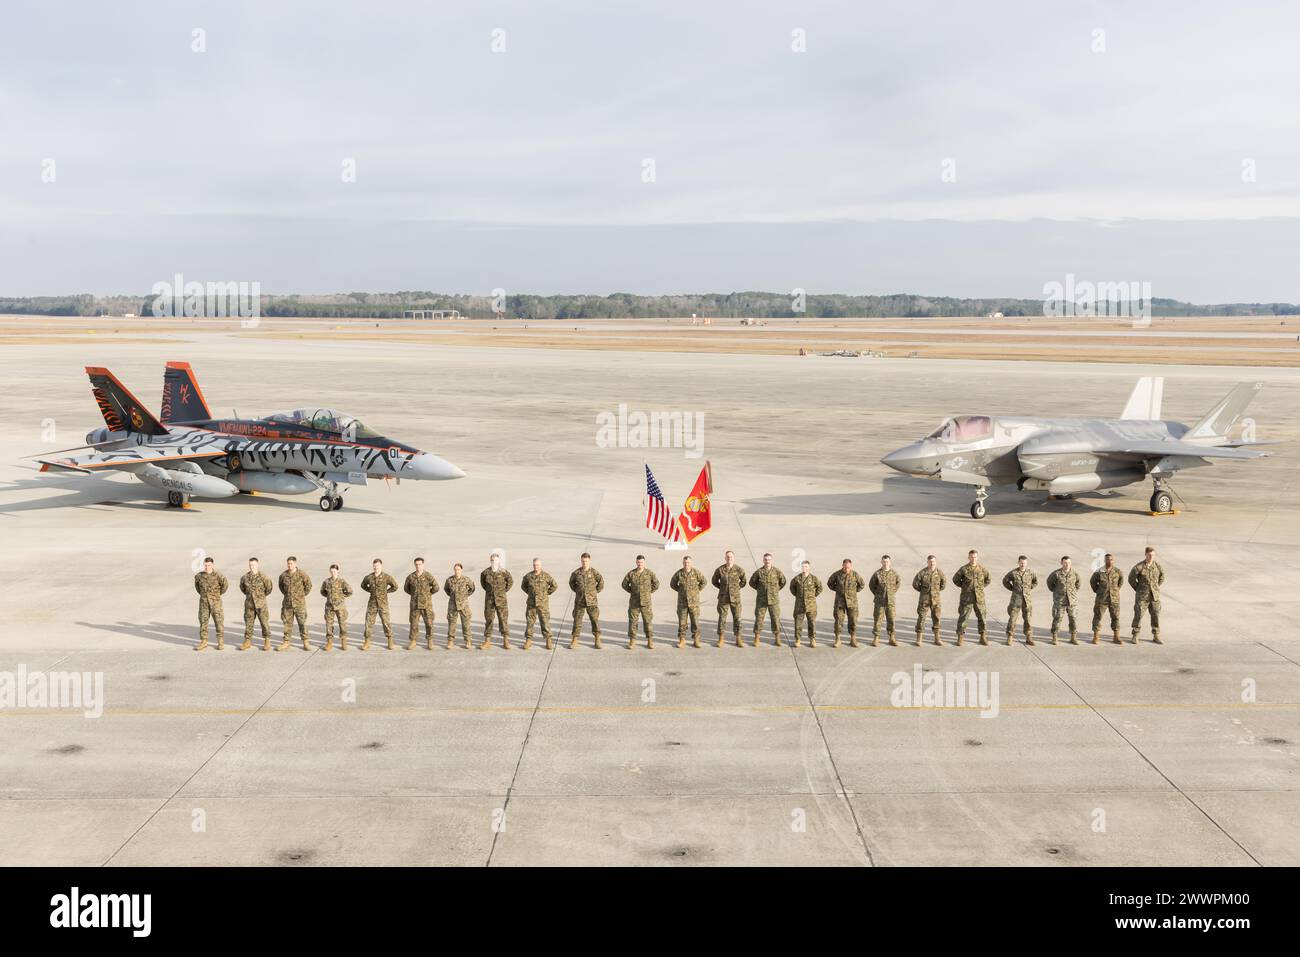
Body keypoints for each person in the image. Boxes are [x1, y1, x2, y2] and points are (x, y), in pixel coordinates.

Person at [952, 549, 992, 646]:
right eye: (971, 557)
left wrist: (980, 588)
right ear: (968, 557)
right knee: (963, 617)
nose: (973, 559)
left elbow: (988, 579)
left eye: (975, 557)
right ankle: (960, 637)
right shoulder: (963, 569)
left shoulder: (982, 569)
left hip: (979, 598)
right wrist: (964, 587)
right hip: (967, 597)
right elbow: (955, 579)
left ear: (977, 558)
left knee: (982, 617)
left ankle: (982, 637)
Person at [621, 555, 660, 649]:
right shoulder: (631, 573)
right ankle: (632, 641)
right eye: (638, 562)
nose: (640, 564)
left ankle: (650, 640)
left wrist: (648, 592)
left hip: (646, 603)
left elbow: (656, 584)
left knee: (648, 621)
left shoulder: (649, 573)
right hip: (634, 603)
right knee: (633, 622)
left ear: (644, 562)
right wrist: (632, 592)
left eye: (641, 562)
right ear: (636, 562)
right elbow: (624, 584)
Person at [1129, 546, 1165, 644]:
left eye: (1153, 555)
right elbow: (1131, 579)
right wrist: (1138, 589)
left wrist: (1155, 587)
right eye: (1149, 555)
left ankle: (1156, 635)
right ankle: (1135, 635)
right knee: (1138, 615)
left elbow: (1162, 576)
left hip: (1154, 597)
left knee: (1155, 615)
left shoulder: (1157, 566)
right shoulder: (1139, 567)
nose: (1151, 557)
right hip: (1142, 597)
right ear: (1145, 555)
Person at [670, 555, 708, 648]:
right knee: (682, 622)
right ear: (683, 563)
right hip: (682, 603)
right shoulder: (679, 573)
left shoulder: (696, 572)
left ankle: (696, 640)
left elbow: (704, 581)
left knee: (695, 622)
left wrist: (696, 591)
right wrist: (680, 591)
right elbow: (673, 584)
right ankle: (682, 640)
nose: (686, 564)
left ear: (691, 563)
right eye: (685, 562)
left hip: (694, 603)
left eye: (688, 562)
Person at [749, 553, 787, 646]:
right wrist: (760, 590)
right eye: (766, 559)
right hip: (761, 600)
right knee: (759, 618)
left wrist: (775, 590)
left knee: (775, 619)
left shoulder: (777, 572)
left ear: (771, 560)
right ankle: (757, 638)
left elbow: (783, 582)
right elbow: (751, 582)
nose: (767, 561)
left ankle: (777, 638)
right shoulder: (759, 572)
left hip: (773, 600)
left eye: (769, 559)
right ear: (763, 561)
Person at [826, 558, 866, 648]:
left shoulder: (855, 574)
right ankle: (838, 639)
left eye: (848, 567)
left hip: (852, 602)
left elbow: (862, 584)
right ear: (842, 566)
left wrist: (854, 592)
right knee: (838, 620)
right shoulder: (837, 574)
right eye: (845, 567)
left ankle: (853, 639)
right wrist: (838, 590)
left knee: (853, 620)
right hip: (840, 602)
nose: (846, 569)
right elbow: (830, 584)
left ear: (851, 566)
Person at [360, 559, 398, 650]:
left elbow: (395, 586)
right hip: (372, 604)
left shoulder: (386, 577)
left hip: (383, 604)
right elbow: (363, 585)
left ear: (381, 566)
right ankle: (367, 641)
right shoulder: (369, 577)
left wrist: (386, 592)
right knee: (368, 622)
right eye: (374, 566)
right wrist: (370, 591)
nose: (376, 568)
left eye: (377, 566)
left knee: (386, 622)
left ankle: (390, 640)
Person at [711, 551, 747, 647]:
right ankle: (721, 639)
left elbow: (744, 581)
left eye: (731, 557)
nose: (729, 558)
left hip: (735, 598)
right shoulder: (720, 569)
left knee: (737, 618)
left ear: (733, 558)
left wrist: (736, 588)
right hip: (723, 598)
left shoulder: (739, 569)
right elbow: (714, 581)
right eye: (727, 557)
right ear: (725, 558)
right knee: (722, 618)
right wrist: (722, 588)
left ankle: (738, 639)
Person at [520, 558, 557, 650]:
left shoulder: (546, 576)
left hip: (542, 603)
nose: (536, 567)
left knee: (545, 621)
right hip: (531, 603)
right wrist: (530, 593)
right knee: (530, 622)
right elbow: (523, 586)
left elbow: (554, 585)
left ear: (541, 565)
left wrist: (546, 594)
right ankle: (528, 640)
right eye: (534, 565)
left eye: (537, 565)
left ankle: (548, 640)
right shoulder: (528, 576)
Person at [569, 552, 605, 649]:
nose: (585, 563)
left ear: (589, 561)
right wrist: (578, 591)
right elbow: (571, 584)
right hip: (580, 601)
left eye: (586, 561)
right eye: (583, 561)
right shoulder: (576, 573)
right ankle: (575, 639)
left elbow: (601, 583)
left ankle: (597, 639)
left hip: (591, 601)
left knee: (594, 619)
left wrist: (594, 592)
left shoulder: (594, 572)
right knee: (577, 620)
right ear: (581, 561)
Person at [277, 556, 313, 651]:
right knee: (287, 624)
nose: (289, 565)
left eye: (291, 563)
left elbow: (308, 586)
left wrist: (301, 596)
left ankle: (305, 642)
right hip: (287, 604)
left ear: (295, 564)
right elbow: (281, 587)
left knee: (302, 623)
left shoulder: (302, 574)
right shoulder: (283, 575)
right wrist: (288, 595)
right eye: (288, 563)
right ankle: (286, 642)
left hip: (299, 604)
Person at [238, 557, 274, 651]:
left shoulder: (263, 577)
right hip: (249, 604)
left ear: (257, 565)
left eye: (253, 565)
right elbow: (243, 588)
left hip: (261, 604)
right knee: (248, 623)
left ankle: (267, 640)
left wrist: (260, 597)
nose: (252, 567)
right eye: (250, 565)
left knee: (264, 622)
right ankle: (247, 641)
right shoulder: (245, 577)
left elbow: (269, 588)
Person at [480, 552, 514, 649]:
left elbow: (510, 582)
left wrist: (502, 592)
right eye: (492, 560)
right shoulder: (485, 573)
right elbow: (483, 584)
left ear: (498, 561)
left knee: (503, 619)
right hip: (489, 601)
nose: (493, 562)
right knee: (489, 620)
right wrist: (490, 592)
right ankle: (487, 641)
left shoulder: (504, 572)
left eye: (495, 560)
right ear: (490, 561)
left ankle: (506, 640)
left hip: (501, 600)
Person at [194, 556, 228, 651]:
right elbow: (197, 588)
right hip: (204, 603)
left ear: (212, 565)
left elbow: (224, 586)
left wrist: (216, 595)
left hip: (215, 603)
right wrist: (204, 596)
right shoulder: (199, 576)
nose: (207, 567)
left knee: (219, 622)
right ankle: (204, 641)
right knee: (203, 622)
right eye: (205, 565)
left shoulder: (219, 576)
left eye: (209, 565)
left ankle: (220, 642)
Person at [1001, 556, 1037, 646]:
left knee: (1028, 619)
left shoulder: (1031, 573)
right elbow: (1005, 581)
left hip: (1027, 600)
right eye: (1021, 563)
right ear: (1018, 563)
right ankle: (1010, 636)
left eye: (1024, 563)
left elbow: (1035, 582)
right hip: (1016, 600)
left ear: (1026, 563)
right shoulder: (1013, 573)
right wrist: (1012, 589)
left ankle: (1028, 637)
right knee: (1012, 619)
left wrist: (1028, 589)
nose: (1022, 564)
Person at [1046, 556, 1082, 645]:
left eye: (1068, 563)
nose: (1067, 565)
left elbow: (1078, 583)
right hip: (1060, 600)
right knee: (1057, 618)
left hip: (1072, 601)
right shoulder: (1056, 574)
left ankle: (1073, 637)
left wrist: (1072, 592)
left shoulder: (1074, 574)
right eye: (1065, 563)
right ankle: (1055, 637)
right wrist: (1056, 591)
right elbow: (1049, 583)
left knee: (1073, 618)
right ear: (1061, 563)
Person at [1090, 553, 1124, 645]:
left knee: (1115, 617)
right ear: (1104, 561)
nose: (1109, 561)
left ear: (1113, 560)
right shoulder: (1099, 572)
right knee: (1098, 616)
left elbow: (1121, 581)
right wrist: (1098, 591)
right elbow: (1092, 582)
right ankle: (1096, 636)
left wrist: (1115, 590)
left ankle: (1116, 636)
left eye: (1111, 559)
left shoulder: (1117, 571)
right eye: (1107, 559)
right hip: (1102, 599)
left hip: (1114, 599)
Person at [404, 557, 438, 650]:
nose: (418, 566)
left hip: (426, 605)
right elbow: (406, 589)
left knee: (429, 623)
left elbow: (436, 587)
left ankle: (430, 640)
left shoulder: (428, 576)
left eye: (420, 564)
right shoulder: (410, 577)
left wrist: (428, 594)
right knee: (413, 623)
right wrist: (414, 595)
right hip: (415, 605)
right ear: (414, 565)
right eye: (416, 564)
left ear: (423, 564)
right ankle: (413, 641)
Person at [912, 555, 946, 646]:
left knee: (936, 618)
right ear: (927, 562)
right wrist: (923, 591)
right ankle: (919, 639)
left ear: (936, 562)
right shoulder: (922, 573)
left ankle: (937, 638)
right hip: (924, 600)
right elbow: (915, 584)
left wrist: (935, 592)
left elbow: (943, 585)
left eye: (933, 561)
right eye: (930, 562)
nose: (932, 563)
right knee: (921, 617)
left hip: (936, 600)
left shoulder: (939, 573)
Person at [868, 555, 901, 646]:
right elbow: (871, 585)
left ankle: (892, 638)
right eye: (884, 562)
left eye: (887, 562)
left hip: (890, 601)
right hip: (880, 602)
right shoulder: (877, 574)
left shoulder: (894, 573)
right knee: (878, 619)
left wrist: (891, 592)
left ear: (890, 562)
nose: (886, 563)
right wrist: (877, 594)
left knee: (891, 619)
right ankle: (876, 638)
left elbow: (898, 583)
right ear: (881, 562)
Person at [789, 560, 823, 647]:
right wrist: (798, 596)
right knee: (798, 622)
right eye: (803, 566)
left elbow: (820, 588)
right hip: (799, 605)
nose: (804, 568)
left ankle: (812, 639)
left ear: (809, 567)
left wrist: (812, 596)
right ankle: (798, 639)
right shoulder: (796, 579)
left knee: (812, 622)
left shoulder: (814, 579)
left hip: (811, 605)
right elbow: (792, 588)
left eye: (806, 566)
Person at [320, 564, 353, 651]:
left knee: (342, 624)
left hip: (340, 606)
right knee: (329, 624)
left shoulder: (342, 581)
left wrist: (342, 597)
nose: (333, 573)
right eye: (331, 571)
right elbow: (322, 591)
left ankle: (343, 642)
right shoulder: (326, 581)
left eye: (334, 571)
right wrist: (329, 597)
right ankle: (329, 642)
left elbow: (350, 591)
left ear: (337, 571)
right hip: (329, 607)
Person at [444, 563, 475, 648]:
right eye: (455, 569)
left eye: (458, 569)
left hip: (464, 605)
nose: (456, 571)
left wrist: (465, 596)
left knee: (466, 623)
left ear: (461, 570)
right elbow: (446, 589)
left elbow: (472, 588)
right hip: (452, 604)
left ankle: (468, 641)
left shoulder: (466, 579)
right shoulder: (449, 580)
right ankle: (450, 641)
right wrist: (452, 596)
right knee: (452, 623)